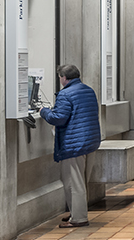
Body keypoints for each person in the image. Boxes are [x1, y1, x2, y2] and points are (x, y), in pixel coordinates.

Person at [39, 64, 101, 228]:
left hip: (74, 144)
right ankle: (76, 211)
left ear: (64, 78)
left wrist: (43, 111)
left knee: (73, 182)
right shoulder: (88, 90)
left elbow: (58, 118)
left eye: (60, 77)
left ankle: (79, 218)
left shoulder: (65, 94)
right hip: (90, 141)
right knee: (81, 180)